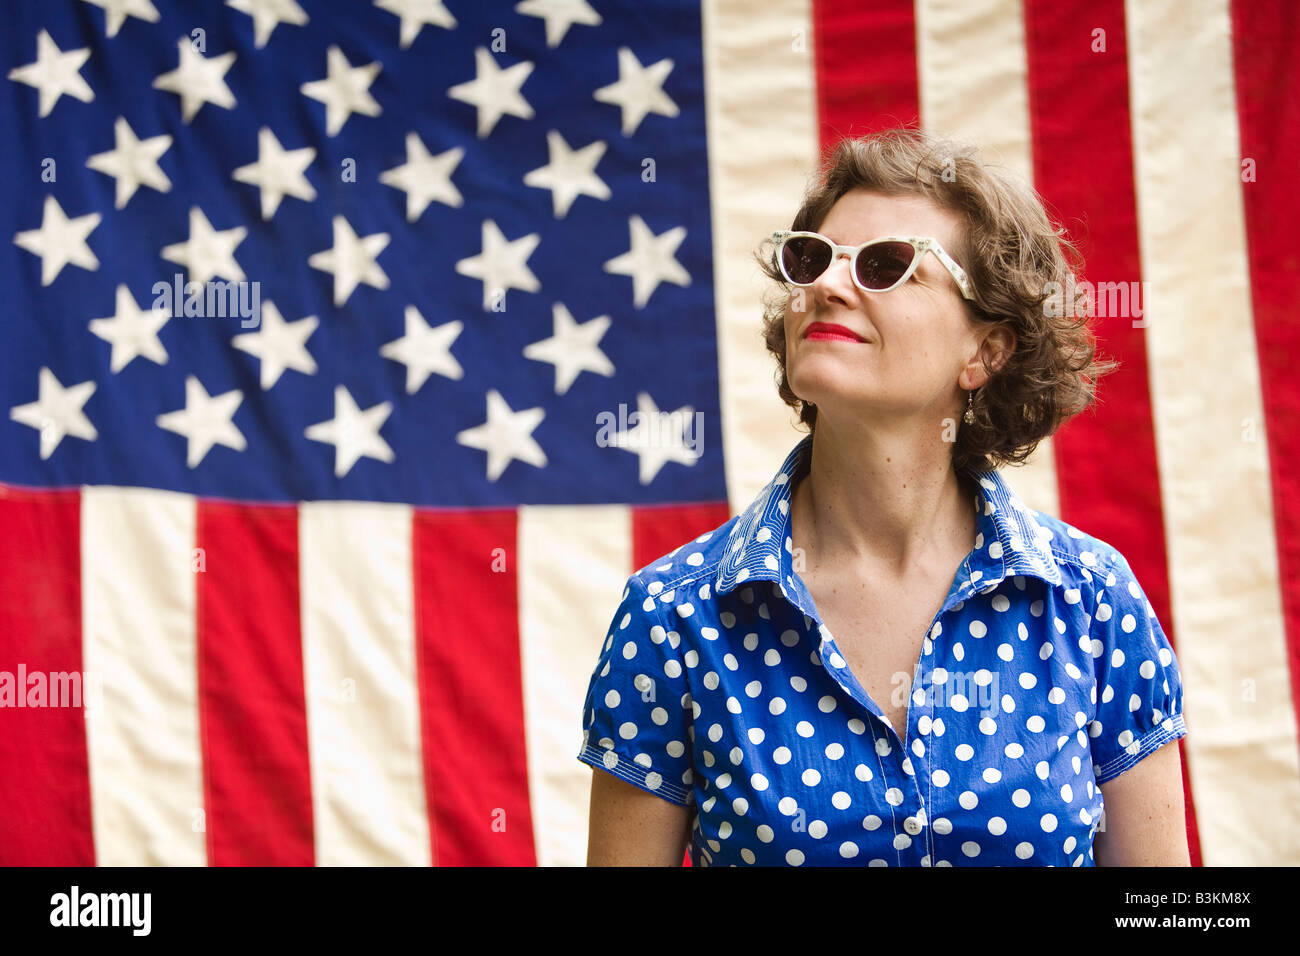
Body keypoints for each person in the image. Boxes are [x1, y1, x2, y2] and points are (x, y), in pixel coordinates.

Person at [577, 126, 1190, 867]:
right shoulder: (674, 616)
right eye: (812, 258)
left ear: (984, 351)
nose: (829, 286)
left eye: (888, 266)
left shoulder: (1092, 601)